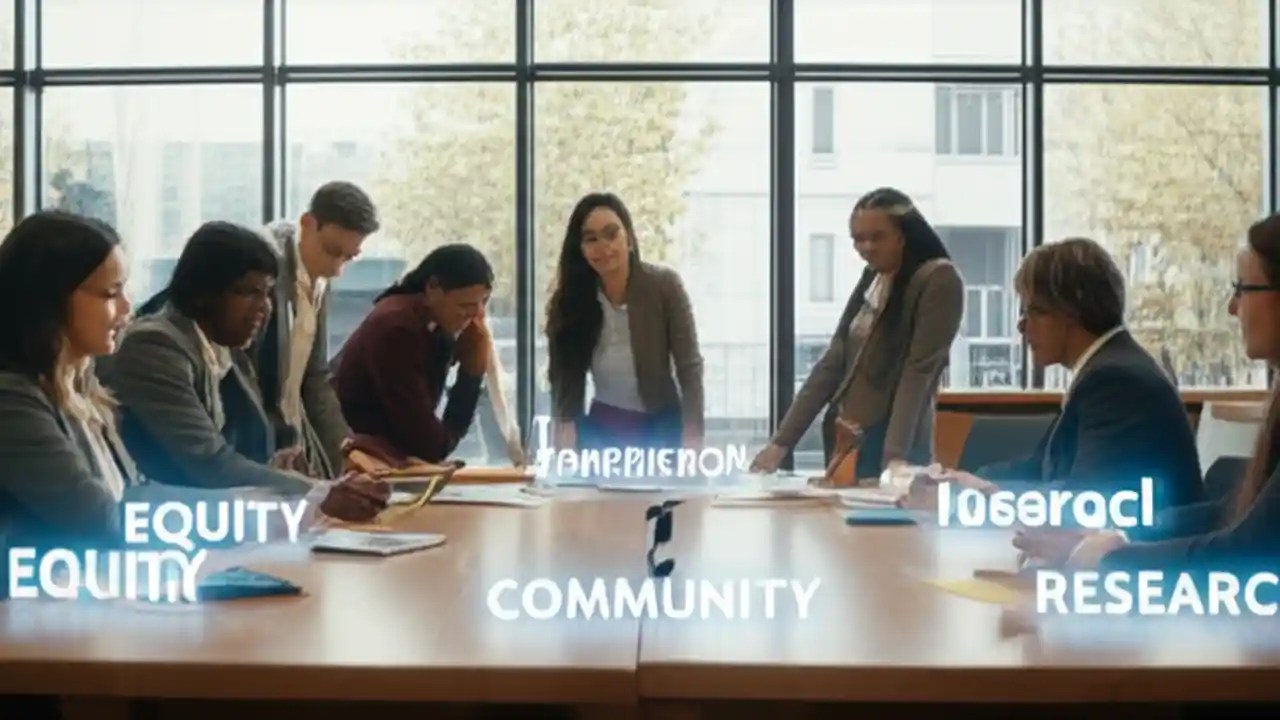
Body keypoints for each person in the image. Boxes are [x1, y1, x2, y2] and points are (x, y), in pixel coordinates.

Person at [1015, 217, 1280, 572]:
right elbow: (1231, 513)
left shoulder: (1116, 379)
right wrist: (1116, 536)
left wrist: (1109, 557)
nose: (1233, 307)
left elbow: (1248, 550)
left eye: (1242, 289)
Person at [98, 221, 388, 518]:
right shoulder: (154, 346)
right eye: (248, 292)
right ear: (202, 293)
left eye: (267, 293)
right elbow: (211, 463)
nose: (264, 308)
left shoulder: (227, 349)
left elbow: (245, 450)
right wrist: (317, 493)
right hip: (160, 530)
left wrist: (275, 468)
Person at [908, 238, 1204, 524]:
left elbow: (1087, 502)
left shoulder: (1116, 381)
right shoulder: (1107, 367)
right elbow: (1040, 468)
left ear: (1073, 310)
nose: (1021, 325)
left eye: (1033, 311)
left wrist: (979, 497)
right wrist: (966, 481)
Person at [751, 187, 963, 480]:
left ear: (903, 236)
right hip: (844, 439)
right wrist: (780, 443)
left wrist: (894, 459)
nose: (866, 248)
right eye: (858, 239)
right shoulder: (873, 277)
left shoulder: (938, 279)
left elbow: (919, 372)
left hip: (891, 441)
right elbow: (833, 361)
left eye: (876, 237)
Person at [0, 211, 136, 554]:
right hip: (34, 602)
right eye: (110, 294)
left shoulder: (83, 386)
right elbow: (96, 516)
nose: (126, 307)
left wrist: (254, 506)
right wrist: (232, 523)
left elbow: (136, 494)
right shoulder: (11, 399)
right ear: (52, 300)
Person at [545, 192, 704, 452]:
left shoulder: (664, 286)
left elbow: (690, 366)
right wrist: (564, 426)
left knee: (662, 492)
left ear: (628, 237)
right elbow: (562, 374)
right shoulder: (571, 299)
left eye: (611, 234)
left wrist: (694, 433)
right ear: (581, 249)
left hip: (662, 426)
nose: (603, 247)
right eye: (591, 239)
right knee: (596, 491)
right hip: (603, 428)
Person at [255, 181, 380, 479]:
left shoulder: (320, 279)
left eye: (348, 258)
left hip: (293, 443)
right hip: (256, 445)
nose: (337, 269)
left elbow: (314, 379)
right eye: (332, 251)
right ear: (307, 224)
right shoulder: (265, 270)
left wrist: (347, 449)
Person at [332, 243, 494, 465]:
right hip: (356, 460)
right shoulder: (398, 329)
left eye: (482, 303)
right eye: (465, 305)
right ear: (433, 288)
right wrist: (471, 375)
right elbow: (430, 446)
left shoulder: (425, 320)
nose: (477, 314)